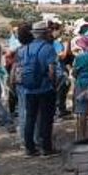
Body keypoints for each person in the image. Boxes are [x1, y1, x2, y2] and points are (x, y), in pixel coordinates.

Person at [17, 21, 60, 157]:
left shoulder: (24, 49)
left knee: (30, 118)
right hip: (45, 87)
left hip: (29, 88)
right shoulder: (48, 48)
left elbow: (20, 69)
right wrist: (53, 84)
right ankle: (45, 148)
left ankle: (29, 148)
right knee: (46, 119)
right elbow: (52, 70)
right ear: (45, 33)